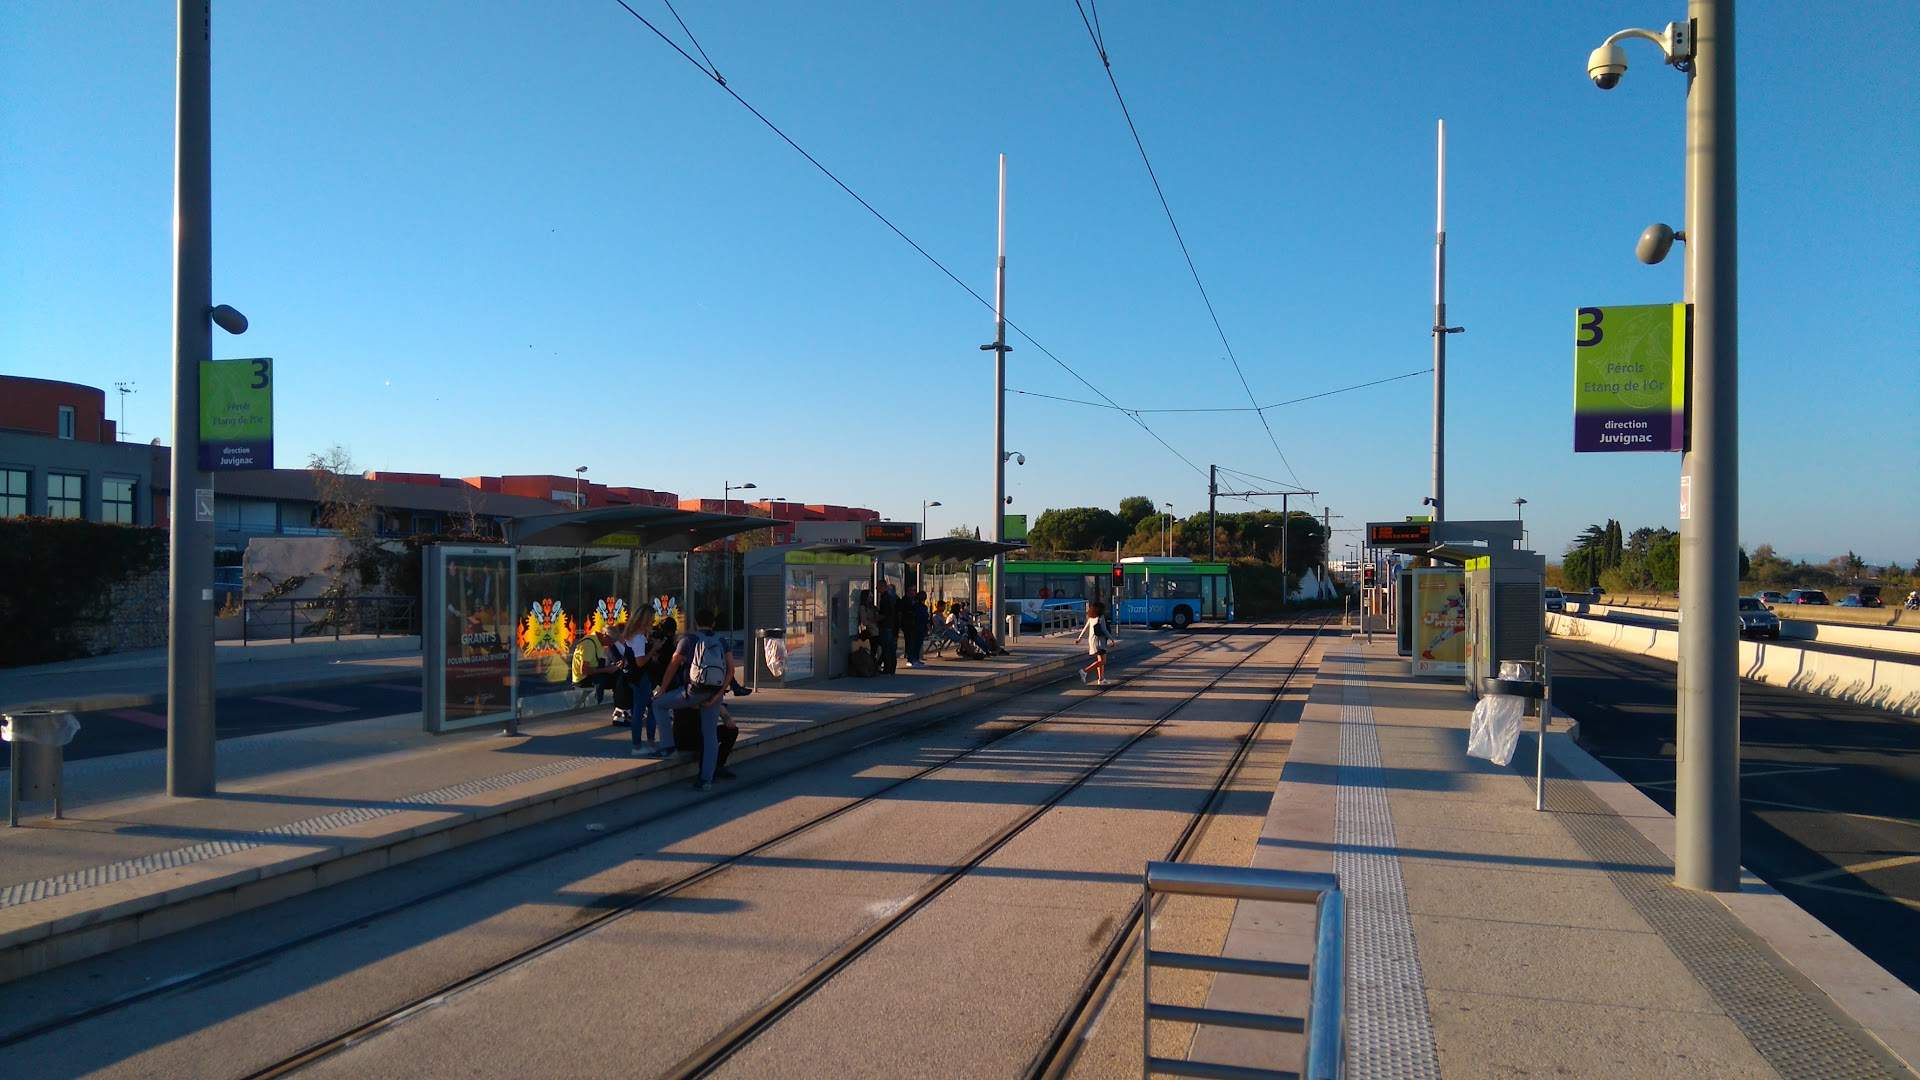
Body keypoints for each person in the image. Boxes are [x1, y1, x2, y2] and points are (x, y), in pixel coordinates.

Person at [646, 608, 734, 789]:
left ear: (695, 623)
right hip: (714, 693)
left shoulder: (688, 640)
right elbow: (731, 670)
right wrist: (717, 696)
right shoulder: (722, 641)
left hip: (692, 692)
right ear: (713, 624)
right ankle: (705, 780)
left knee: (658, 704)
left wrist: (662, 689)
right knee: (710, 735)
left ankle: (668, 746)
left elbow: (673, 665)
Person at [618, 610, 663, 750]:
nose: (653, 622)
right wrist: (653, 649)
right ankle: (640, 743)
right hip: (640, 677)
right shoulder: (637, 638)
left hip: (635, 677)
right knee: (641, 709)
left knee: (644, 707)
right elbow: (640, 662)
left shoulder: (633, 636)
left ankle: (645, 741)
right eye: (651, 619)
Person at [570, 622, 621, 710]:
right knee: (617, 678)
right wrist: (607, 670)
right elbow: (584, 671)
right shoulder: (589, 644)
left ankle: (619, 704)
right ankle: (615, 705)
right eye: (611, 641)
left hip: (592, 674)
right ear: (605, 635)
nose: (611, 644)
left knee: (619, 674)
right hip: (583, 679)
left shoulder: (599, 642)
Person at [1075, 600, 1111, 685]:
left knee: (1100, 660)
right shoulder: (1101, 617)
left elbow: (1085, 628)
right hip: (1100, 641)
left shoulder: (1091, 617)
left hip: (1093, 641)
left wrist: (1079, 638)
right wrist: (1111, 639)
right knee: (1103, 661)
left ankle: (1101, 679)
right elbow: (1104, 630)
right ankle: (1084, 671)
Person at [876, 581, 900, 675]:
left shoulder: (885, 599)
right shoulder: (891, 598)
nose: (876, 588)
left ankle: (887, 669)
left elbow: (885, 614)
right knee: (890, 649)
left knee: (886, 649)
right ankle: (891, 669)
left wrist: (875, 618)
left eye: (878, 586)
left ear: (883, 587)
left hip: (886, 626)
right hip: (891, 626)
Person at [903, 590, 930, 668]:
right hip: (920, 628)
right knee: (917, 644)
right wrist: (928, 628)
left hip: (912, 627)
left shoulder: (913, 606)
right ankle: (914, 660)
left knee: (912, 644)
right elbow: (925, 619)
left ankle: (911, 659)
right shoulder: (923, 607)